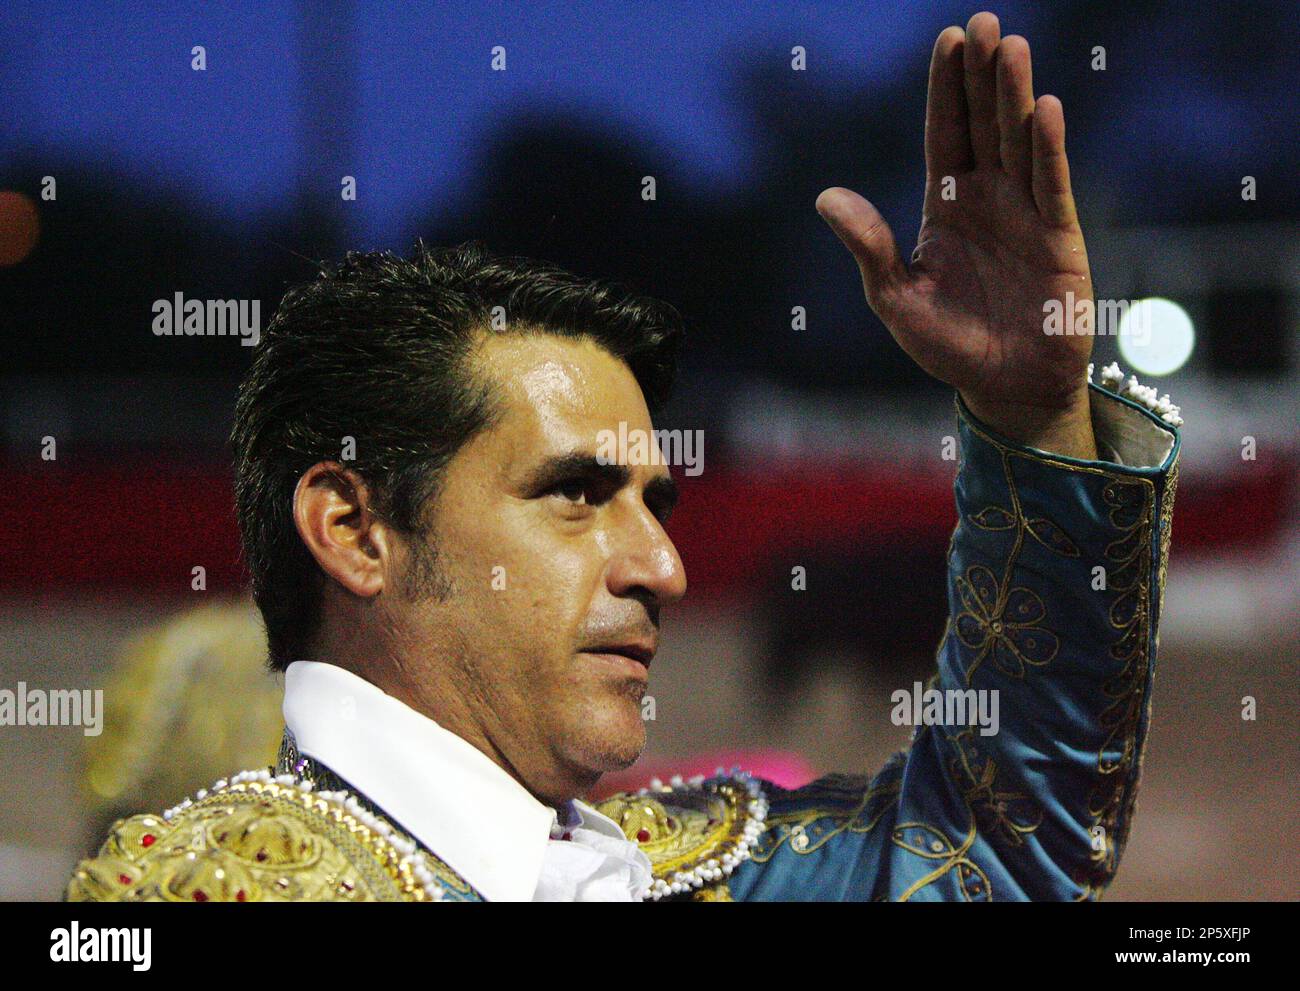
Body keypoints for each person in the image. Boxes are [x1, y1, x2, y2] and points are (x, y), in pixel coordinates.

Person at [67, 12, 1180, 902]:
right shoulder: (196, 892)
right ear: (358, 531)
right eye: (573, 493)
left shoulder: (680, 863)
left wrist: (1035, 420)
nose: (664, 566)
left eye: (654, 499)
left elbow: (989, 847)